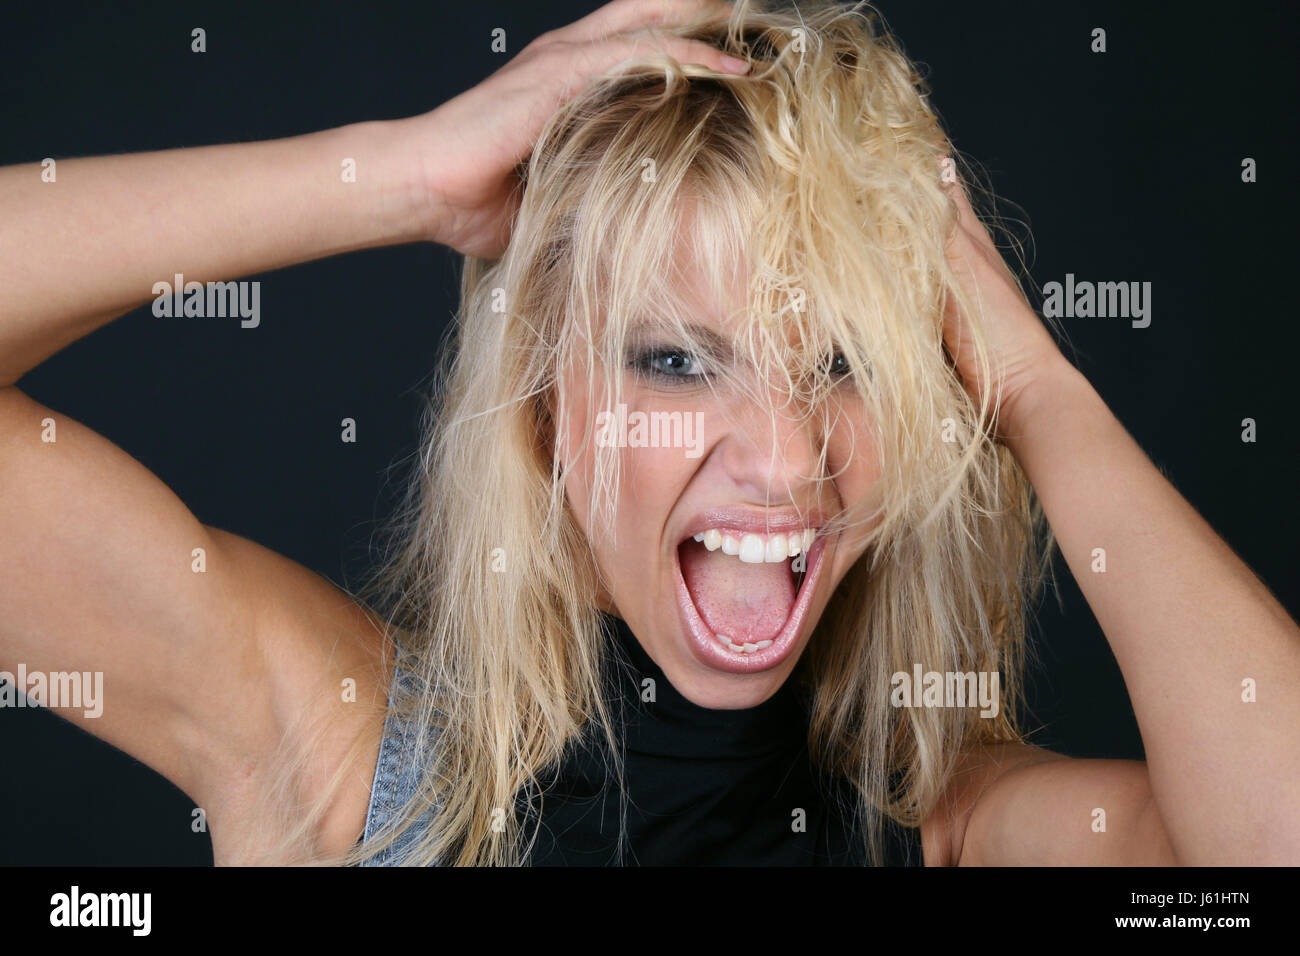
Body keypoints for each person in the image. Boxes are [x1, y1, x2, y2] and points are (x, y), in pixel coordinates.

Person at [1, 0, 1296, 867]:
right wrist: (402, 175)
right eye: (677, 360)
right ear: (551, 406)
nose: (787, 459)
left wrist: (1032, 384)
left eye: (843, 365)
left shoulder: (960, 832)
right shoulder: (347, 762)